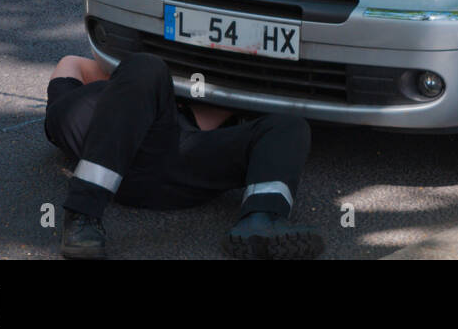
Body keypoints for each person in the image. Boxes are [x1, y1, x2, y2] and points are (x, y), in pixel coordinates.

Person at [43, 52, 323, 260]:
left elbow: (75, 67)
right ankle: (83, 213)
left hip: (170, 162)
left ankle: (261, 220)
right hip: (131, 150)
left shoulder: (170, 108)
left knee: (289, 125)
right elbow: (73, 62)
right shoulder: (91, 99)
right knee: (145, 65)